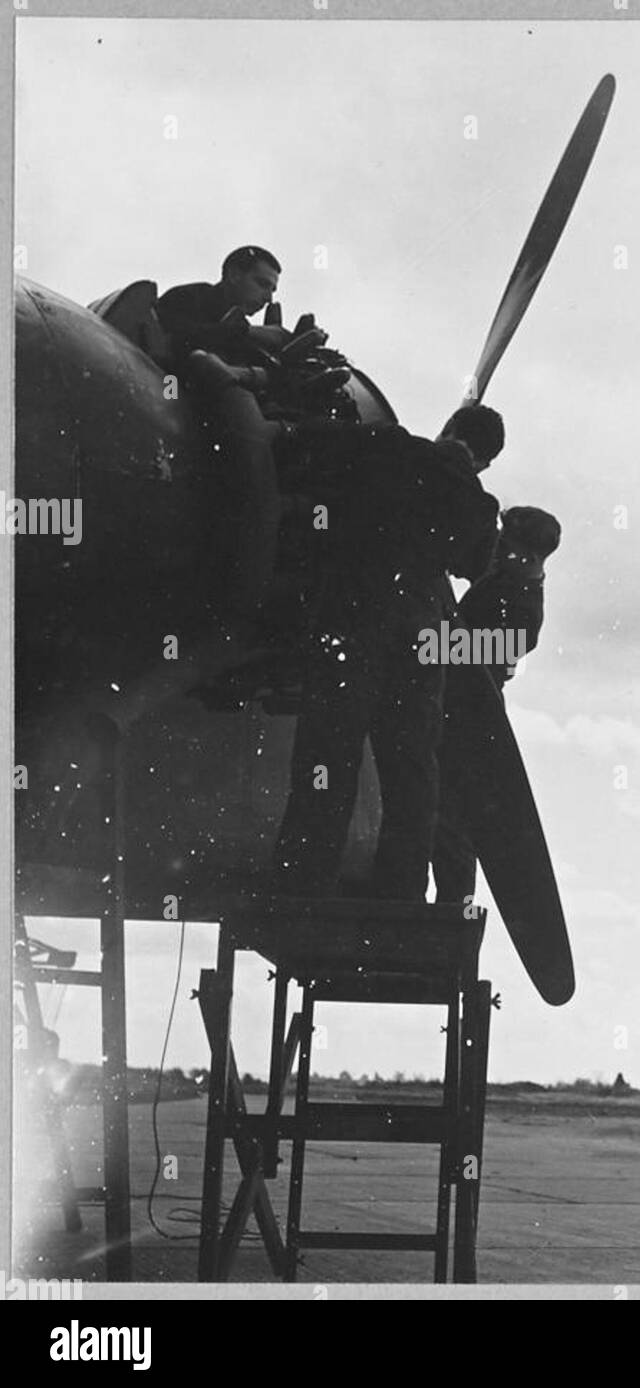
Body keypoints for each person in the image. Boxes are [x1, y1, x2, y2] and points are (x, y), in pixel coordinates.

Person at [272, 404, 505, 901]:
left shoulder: (389, 446)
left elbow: (300, 444)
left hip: (350, 625)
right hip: (419, 645)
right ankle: (399, 890)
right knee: (411, 770)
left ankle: (302, 880)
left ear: (447, 427)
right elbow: (474, 566)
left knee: (328, 757)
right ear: (485, 462)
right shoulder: (479, 504)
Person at [432, 505, 562, 905]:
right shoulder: (505, 581)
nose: (498, 548)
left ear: (530, 555)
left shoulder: (523, 611)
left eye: (507, 544)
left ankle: (453, 909)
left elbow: (461, 652)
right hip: (456, 706)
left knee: (453, 822)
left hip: (471, 715)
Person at [156, 246, 293, 616]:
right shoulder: (190, 297)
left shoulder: (246, 327)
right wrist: (249, 335)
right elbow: (178, 338)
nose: (267, 297)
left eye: (273, 291)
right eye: (261, 283)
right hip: (190, 395)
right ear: (233, 273)